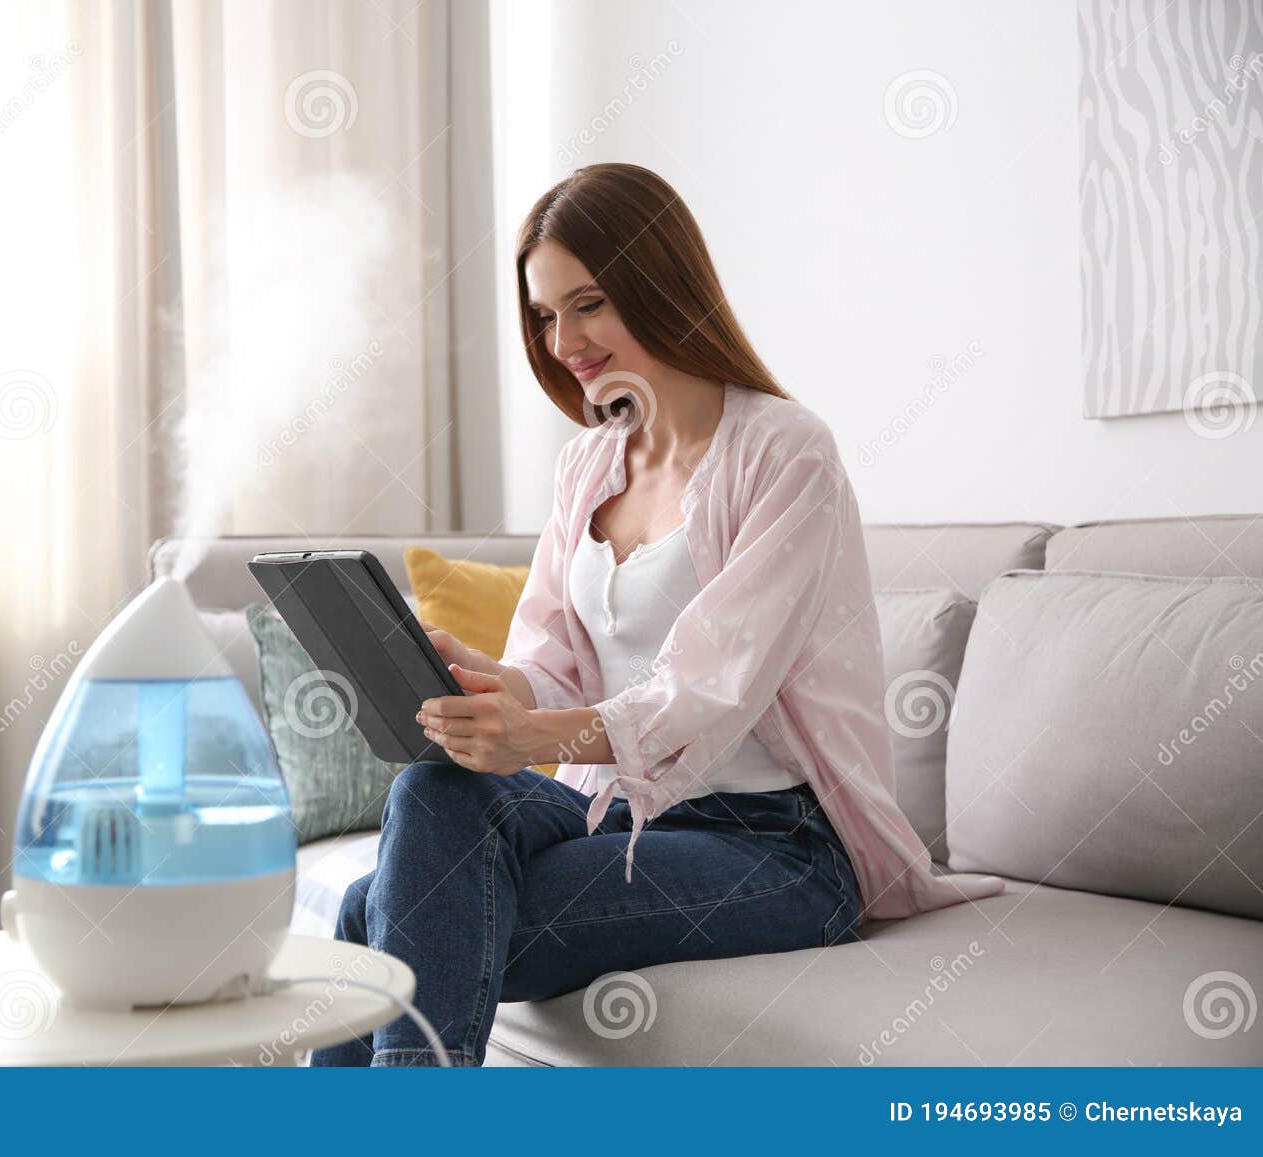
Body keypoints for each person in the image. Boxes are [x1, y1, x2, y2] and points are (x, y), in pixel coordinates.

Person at [308, 162, 1004, 1067]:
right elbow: (552, 664)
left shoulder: (787, 453)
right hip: (613, 818)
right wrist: (474, 680)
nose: (564, 340)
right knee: (432, 790)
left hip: (776, 845)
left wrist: (532, 734)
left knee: (385, 916)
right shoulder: (587, 467)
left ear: (659, 282)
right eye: (545, 315)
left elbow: (708, 691)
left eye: (587, 303)